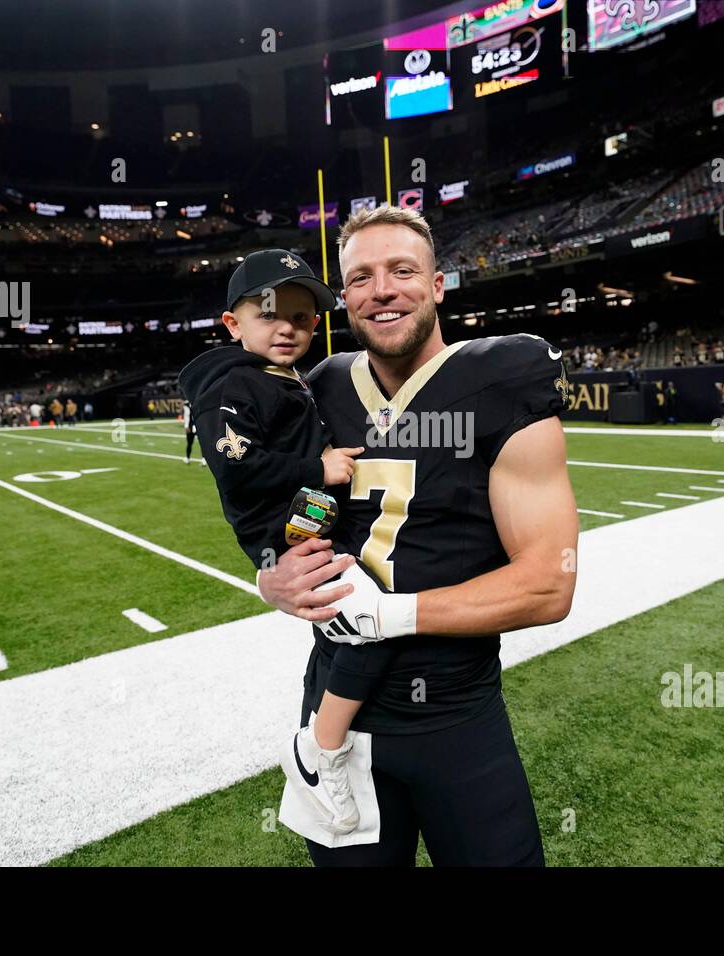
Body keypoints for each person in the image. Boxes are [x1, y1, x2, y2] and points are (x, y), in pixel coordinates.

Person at [256, 205, 578, 866]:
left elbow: (549, 583)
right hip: (336, 713)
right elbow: (291, 527)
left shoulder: (502, 376)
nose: (382, 290)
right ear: (344, 297)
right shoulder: (318, 390)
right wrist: (271, 576)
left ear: (436, 285)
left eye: (402, 271)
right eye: (361, 278)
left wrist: (386, 615)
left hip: (454, 716)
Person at [178, 250, 373, 834]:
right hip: (281, 532)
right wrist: (319, 468)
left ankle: (326, 735)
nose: (287, 327)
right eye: (268, 315)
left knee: (348, 626)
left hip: (307, 521)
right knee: (365, 624)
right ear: (233, 325)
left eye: (302, 317)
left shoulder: (277, 375)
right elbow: (235, 464)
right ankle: (319, 751)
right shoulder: (231, 383)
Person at [181, 399, 197, 463]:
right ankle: (204, 459)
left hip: (190, 426)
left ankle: (187, 458)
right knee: (202, 443)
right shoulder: (197, 401)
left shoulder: (187, 405)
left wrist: (186, 426)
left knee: (189, 443)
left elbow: (187, 416)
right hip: (198, 425)